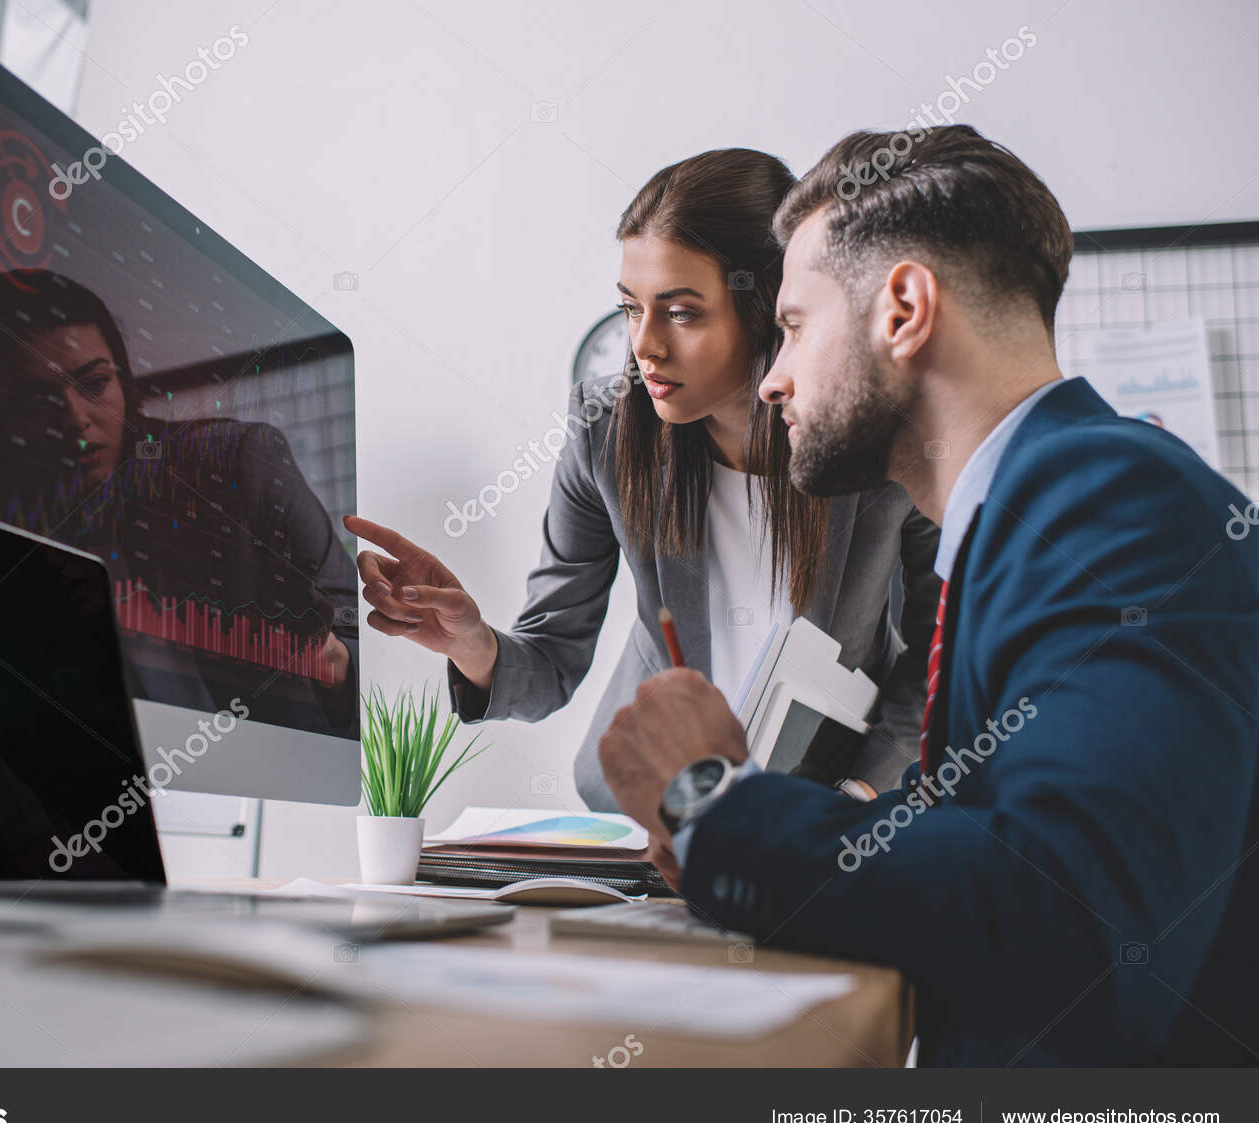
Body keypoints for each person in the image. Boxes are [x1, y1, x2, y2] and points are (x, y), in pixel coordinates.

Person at [597, 125, 1259, 1066]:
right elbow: (992, 840)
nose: (774, 378)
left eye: (792, 326)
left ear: (903, 309)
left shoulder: (1109, 503)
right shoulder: (1030, 515)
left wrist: (712, 800)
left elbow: (1056, 920)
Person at [347, 149, 940, 805]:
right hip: (653, 815)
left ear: (772, 304)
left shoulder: (882, 435)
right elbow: (552, 660)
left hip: (833, 811)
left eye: (681, 312)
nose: (645, 345)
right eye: (632, 307)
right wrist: (474, 644)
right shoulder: (605, 432)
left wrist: (859, 794)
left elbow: (939, 653)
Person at [0, 269, 355, 728]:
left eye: (94, 383)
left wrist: (331, 660)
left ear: (123, 379)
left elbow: (354, 635)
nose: (75, 419)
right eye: (35, 401)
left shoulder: (233, 463)